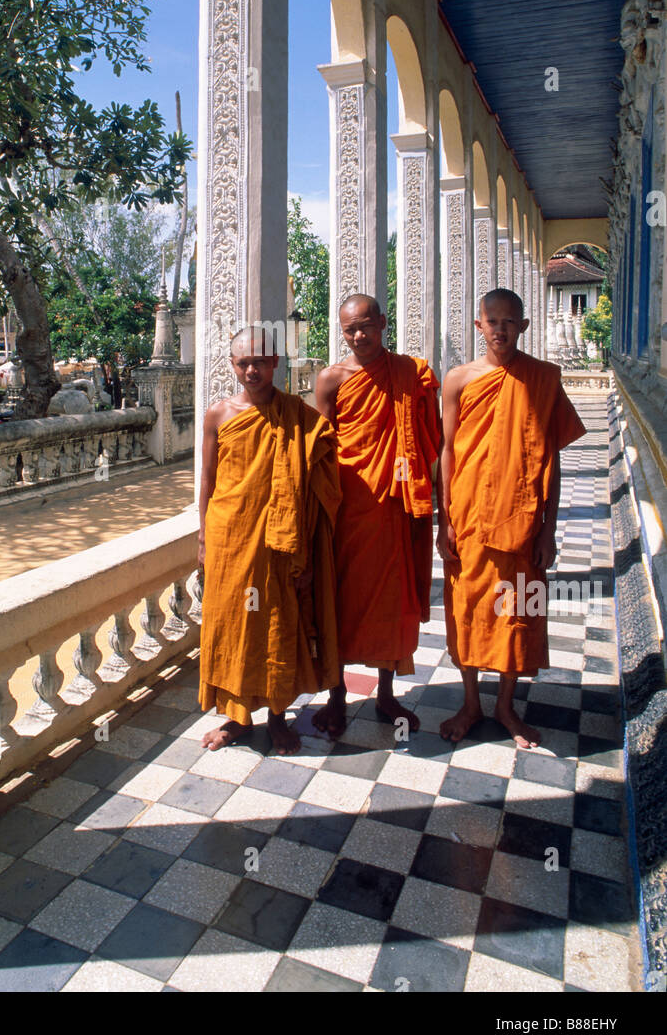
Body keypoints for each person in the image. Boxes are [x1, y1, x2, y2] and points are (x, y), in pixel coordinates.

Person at [437, 288, 586, 749]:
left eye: (509, 321)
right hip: (468, 517)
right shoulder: (458, 380)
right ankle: (470, 703)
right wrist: (444, 521)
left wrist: (549, 527)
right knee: (466, 609)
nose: (500, 329)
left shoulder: (543, 378)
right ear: (478, 326)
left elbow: (551, 457)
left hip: (522, 519)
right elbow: (447, 450)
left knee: (517, 609)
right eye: (491, 321)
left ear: (522, 326)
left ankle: (505, 705)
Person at [198, 325, 341, 755]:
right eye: (243, 363)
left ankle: (277, 716)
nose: (252, 370)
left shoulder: (298, 415)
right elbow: (206, 480)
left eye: (260, 361)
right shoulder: (218, 415)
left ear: (275, 361)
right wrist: (204, 536)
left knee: (277, 623)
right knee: (232, 627)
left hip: (279, 540)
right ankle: (237, 717)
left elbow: (325, 461)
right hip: (231, 538)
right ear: (232, 365)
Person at [312, 295, 440, 740]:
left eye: (366, 326)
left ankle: (386, 694)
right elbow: (318, 450)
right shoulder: (330, 380)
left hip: (394, 509)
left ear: (383, 323)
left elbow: (432, 439)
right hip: (347, 510)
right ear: (341, 331)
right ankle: (336, 696)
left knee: (391, 602)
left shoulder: (409, 373)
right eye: (350, 330)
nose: (359, 336)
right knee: (341, 602)